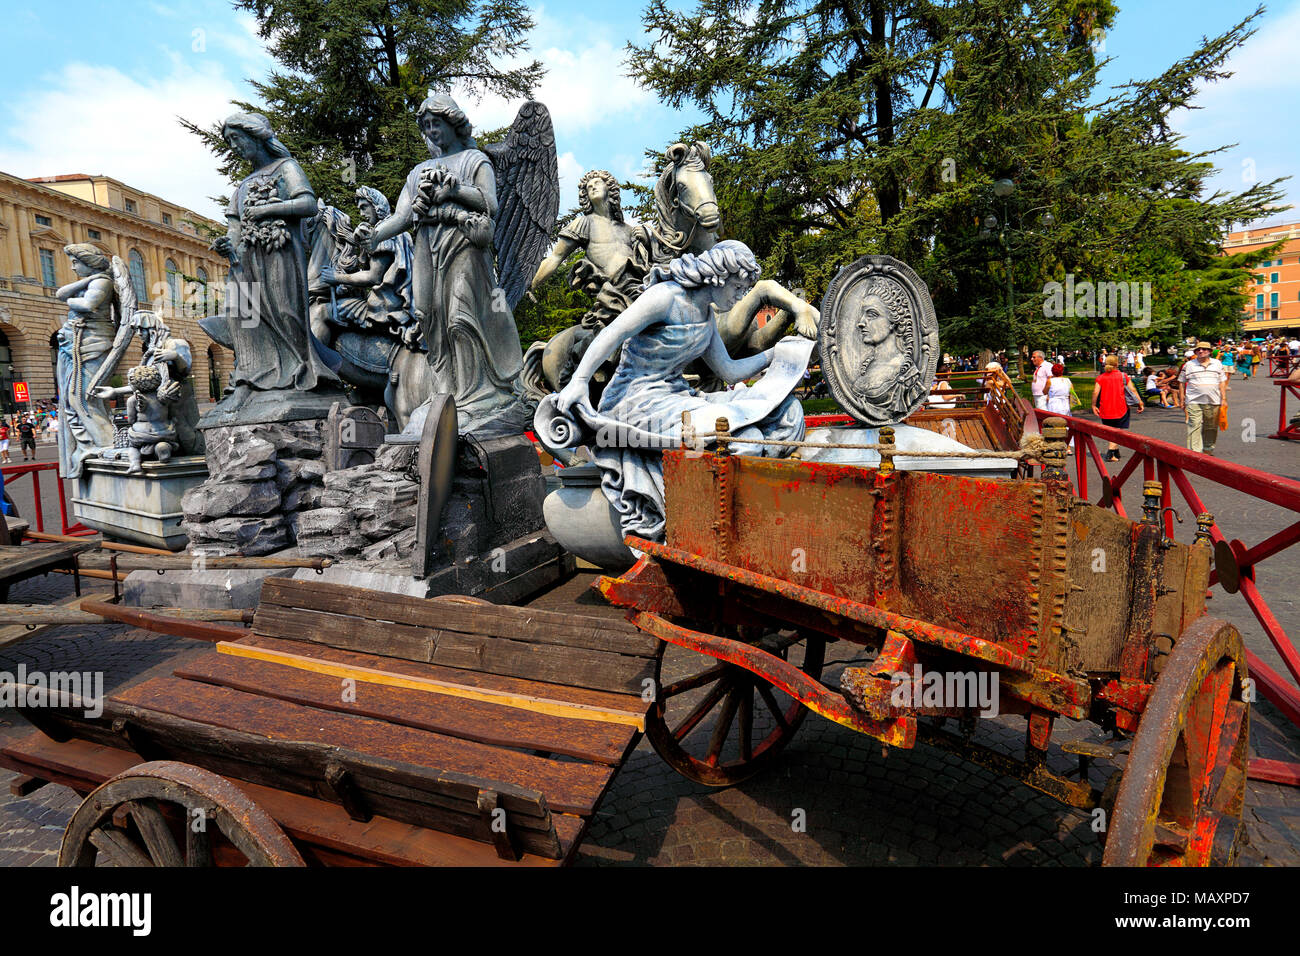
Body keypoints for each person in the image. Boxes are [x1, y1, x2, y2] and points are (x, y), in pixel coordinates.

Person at [549, 240, 805, 541]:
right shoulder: (665, 297)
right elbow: (613, 333)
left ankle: (751, 509)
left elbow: (730, 371)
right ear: (718, 277)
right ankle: (712, 522)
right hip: (637, 402)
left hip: (677, 398)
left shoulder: (706, 318)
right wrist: (579, 381)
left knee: (788, 412)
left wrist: (778, 354)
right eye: (737, 288)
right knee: (744, 437)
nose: (739, 297)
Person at [208, 111, 340, 407]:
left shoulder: (286, 168)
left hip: (279, 253)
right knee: (242, 315)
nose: (235, 147)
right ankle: (250, 378)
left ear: (255, 136)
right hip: (246, 261)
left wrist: (269, 210)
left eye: (237, 139)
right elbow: (235, 228)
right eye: (229, 142)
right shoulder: (240, 188)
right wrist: (227, 245)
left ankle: (301, 371)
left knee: (286, 311)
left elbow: (307, 204)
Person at [1178, 341, 1227, 455]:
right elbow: (1181, 382)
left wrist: (1224, 398)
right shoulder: (1189, 365)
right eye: (1198, 349)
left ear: (1210, 351)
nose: (1200, 351)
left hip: (1213, 400)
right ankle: (1195, 453)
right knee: (1194, 425)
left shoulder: (1217, 364)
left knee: (1211, 427)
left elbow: (1222, 382)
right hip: (1193, 400)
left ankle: (1208, 449)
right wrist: (1182, 399)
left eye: (1204, 349)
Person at [1092, 354, 1144, 460]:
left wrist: (1093, 405)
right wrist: (1140, 402)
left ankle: (1115, 453)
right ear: (1117, 364)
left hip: (1105, 408)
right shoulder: (1123, 376)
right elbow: (1133, 390)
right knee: (1118, 430)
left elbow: (1095, 392)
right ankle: (1111, 452)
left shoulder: (1100, 378)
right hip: (1121, 407)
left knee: (1111, 430)